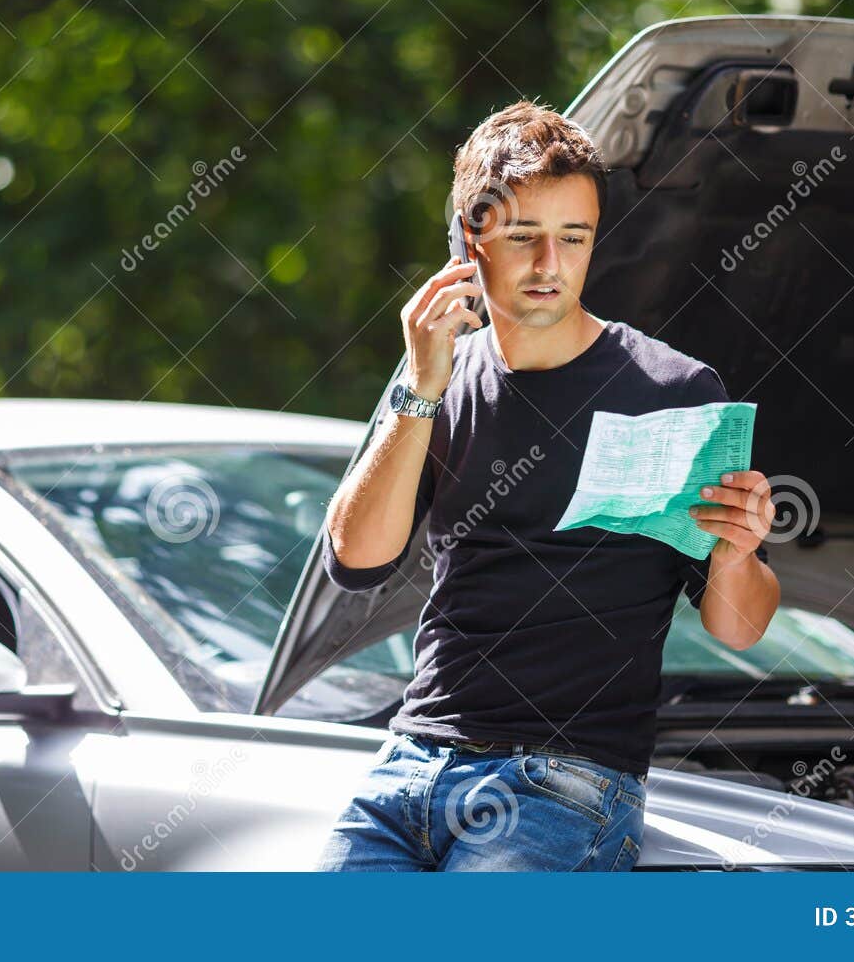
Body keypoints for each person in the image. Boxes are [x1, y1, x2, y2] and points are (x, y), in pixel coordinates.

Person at [314, 100, 780, 871]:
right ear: (471, 239)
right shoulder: (435, 377)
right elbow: (355, 559)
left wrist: (736, 552)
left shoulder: (671, 387)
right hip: (411, 762)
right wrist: (420, 385)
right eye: (524, 236)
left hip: (565, 781)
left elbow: (739, 627)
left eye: (574, 238)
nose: (549, 265)